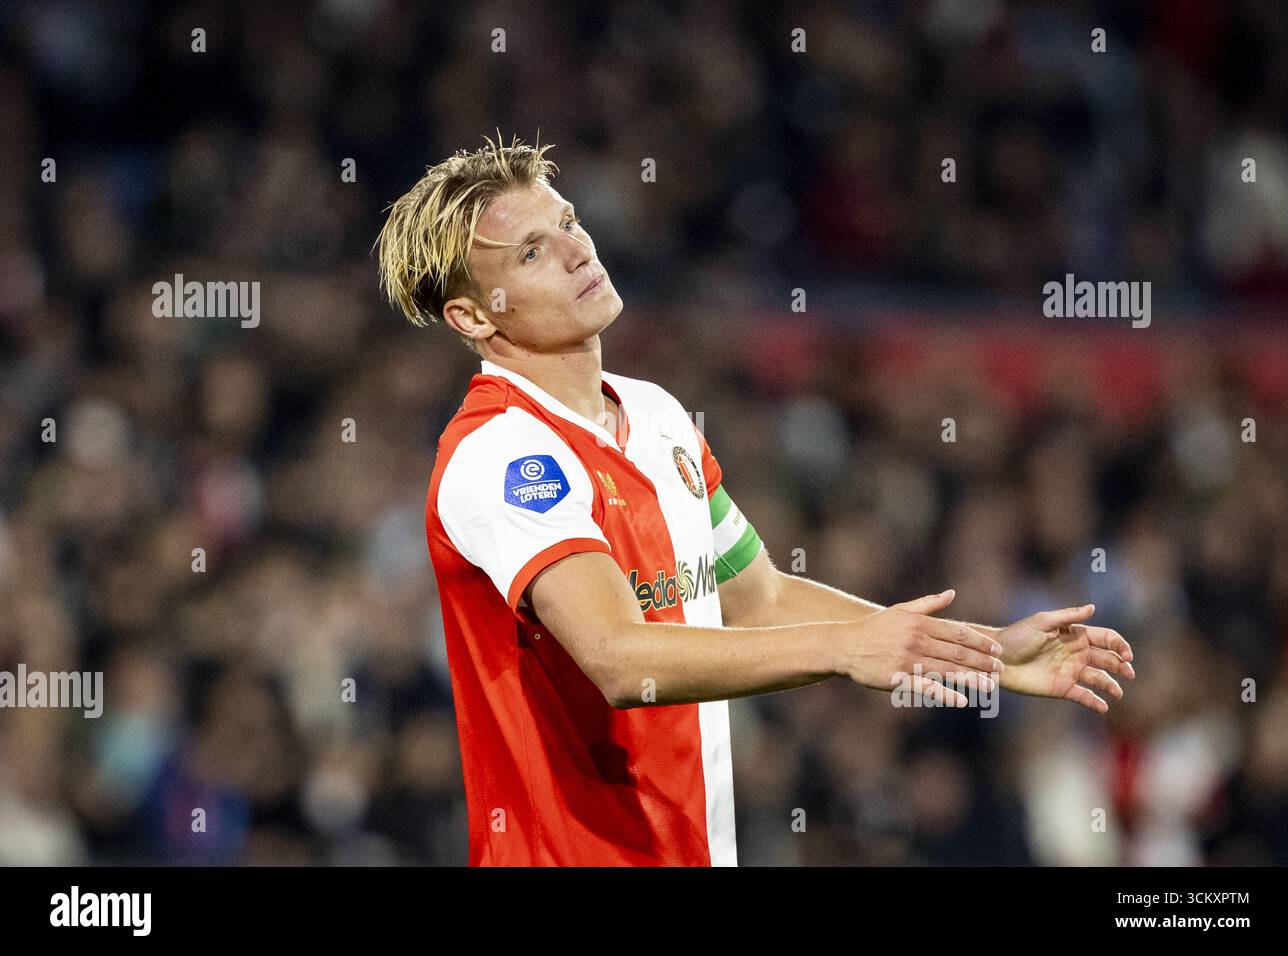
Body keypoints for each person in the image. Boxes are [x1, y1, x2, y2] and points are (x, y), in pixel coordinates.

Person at [374, 132, 1136, 866]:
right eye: (532, 252)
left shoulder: (657, 414)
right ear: (474, 316)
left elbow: (757, 598)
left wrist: (989, 654)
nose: (578, 250)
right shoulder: (502, 453)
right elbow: (615, 657)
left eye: (568, 221)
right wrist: (842, 651)